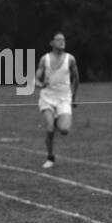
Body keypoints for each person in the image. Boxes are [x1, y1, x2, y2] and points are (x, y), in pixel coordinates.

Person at [34, 32, 78, 168]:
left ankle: (57, 120)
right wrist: (41, 85)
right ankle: (50, 157)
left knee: (64, 129)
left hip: (64, 99)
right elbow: (36, 79)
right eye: (58, 40)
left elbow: (76, 78)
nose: (62, 42)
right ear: (52, 43)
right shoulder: (44, 59)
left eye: (63, 40)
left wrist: (74, 98)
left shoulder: (70, 59)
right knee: (50, 128)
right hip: (47, 98)